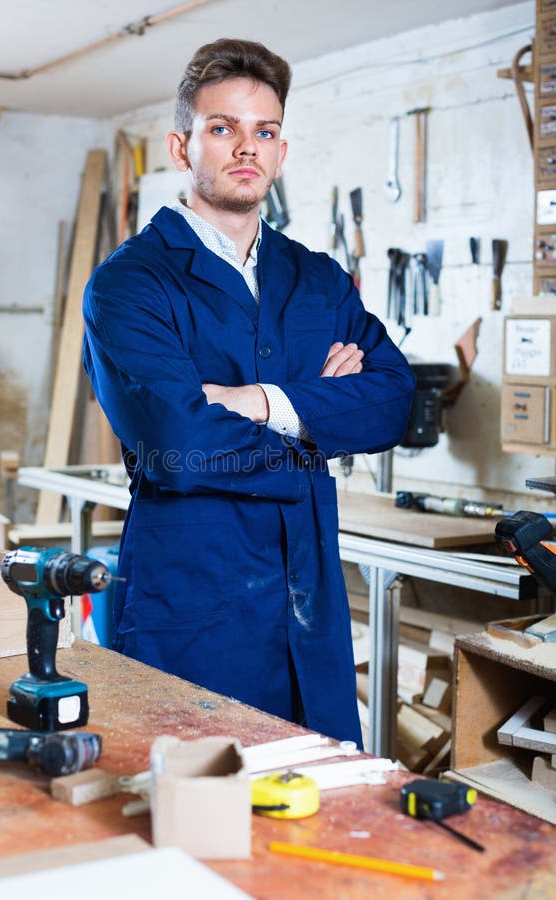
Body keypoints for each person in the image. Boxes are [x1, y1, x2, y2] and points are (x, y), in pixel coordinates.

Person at [82, 38, 414, 745]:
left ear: (280, 152)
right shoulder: (129, 284)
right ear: (181, 146)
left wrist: (259, 401)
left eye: (263, 132)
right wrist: (317, 428)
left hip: (308, 612)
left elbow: (394, 400)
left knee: (321, 793)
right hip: (192, 612)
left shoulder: (317, 278)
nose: (245, 148)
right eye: (222, 128)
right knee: (189, 796)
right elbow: (177, 445)